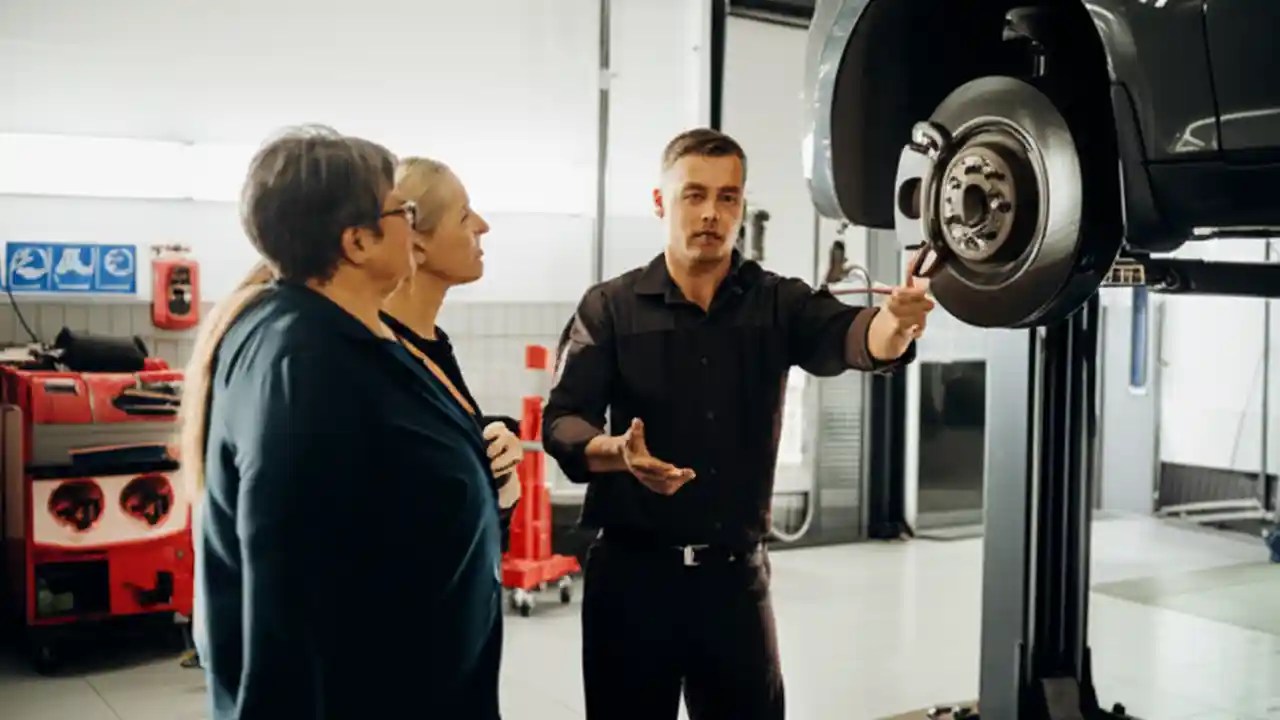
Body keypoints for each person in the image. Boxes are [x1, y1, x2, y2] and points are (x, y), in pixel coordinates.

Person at [541, 127, 935, 720]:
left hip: (733, 584)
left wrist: (897, 324)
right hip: (631, 582)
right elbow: (563, 421)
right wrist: (618, 453)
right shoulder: (611, 308)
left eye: (727, 198)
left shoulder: (776, 303)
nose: (711, 213)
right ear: (660, 202)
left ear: (741, 206)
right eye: (693, 195)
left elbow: (855, 337)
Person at [178, 126, 504, 719]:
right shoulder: (303, 366)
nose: (411, 220)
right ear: (357, 242)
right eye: (401, 210)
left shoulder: (348, 341)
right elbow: (289, 599)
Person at [381, 157, 523, 542]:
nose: (482, 225)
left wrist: (498, 470)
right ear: (417, 244)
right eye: (463, 216)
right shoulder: (385, 363)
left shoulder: (433, 347)